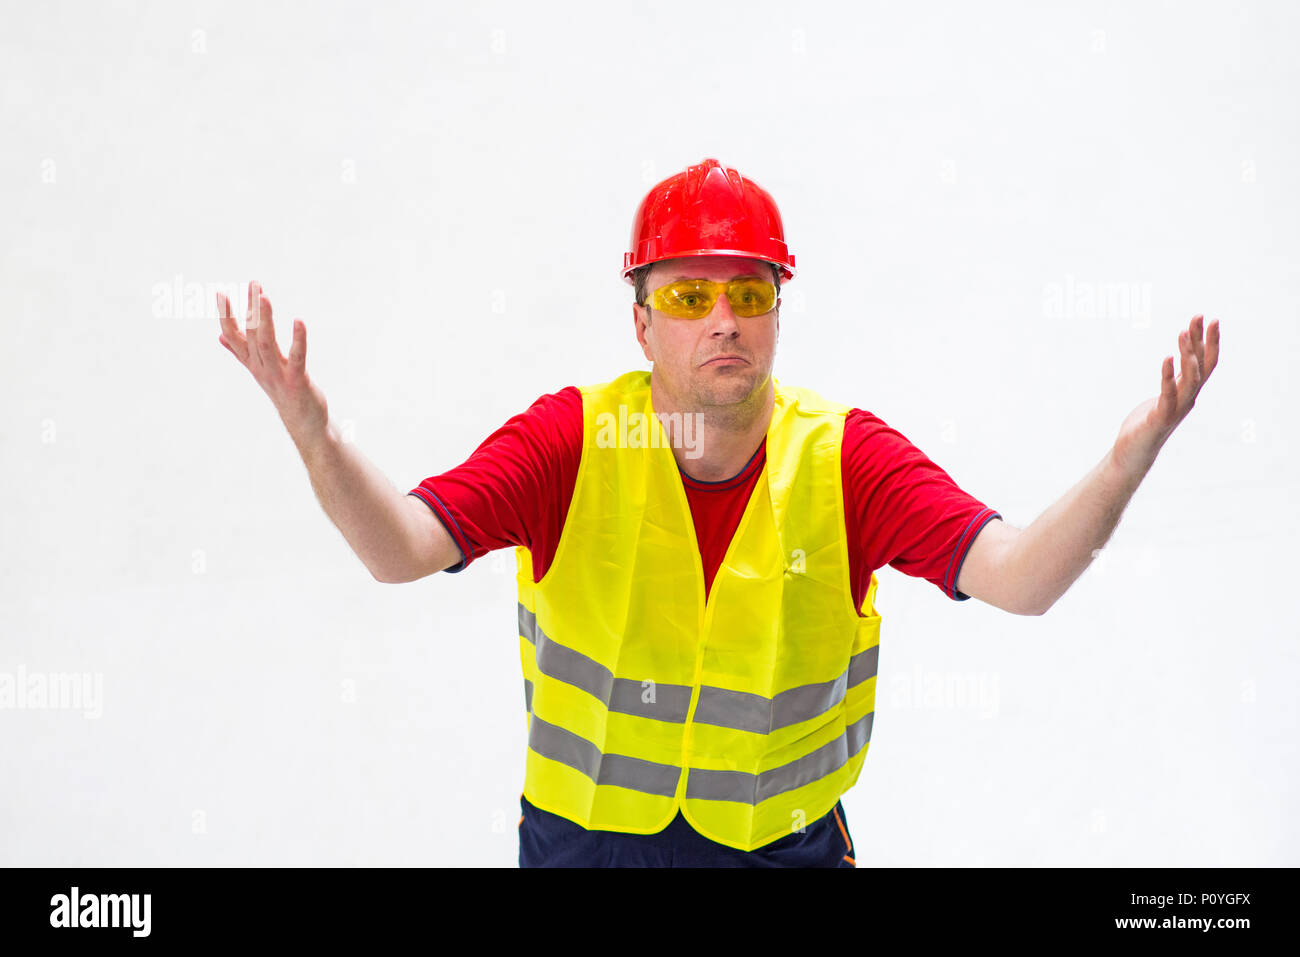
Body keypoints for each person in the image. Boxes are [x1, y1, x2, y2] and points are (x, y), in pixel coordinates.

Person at [216, 157, 1220, 868]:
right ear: (641, 321)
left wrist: (1124, 464)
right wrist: (318, 439)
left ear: (780, 312)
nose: (726, 318)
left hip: (779, 848)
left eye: (749, 291)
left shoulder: (845, 459)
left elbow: (1017, 579)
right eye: (690, 297)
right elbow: (402, 549)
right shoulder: (569, 442)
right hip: (585, 848)